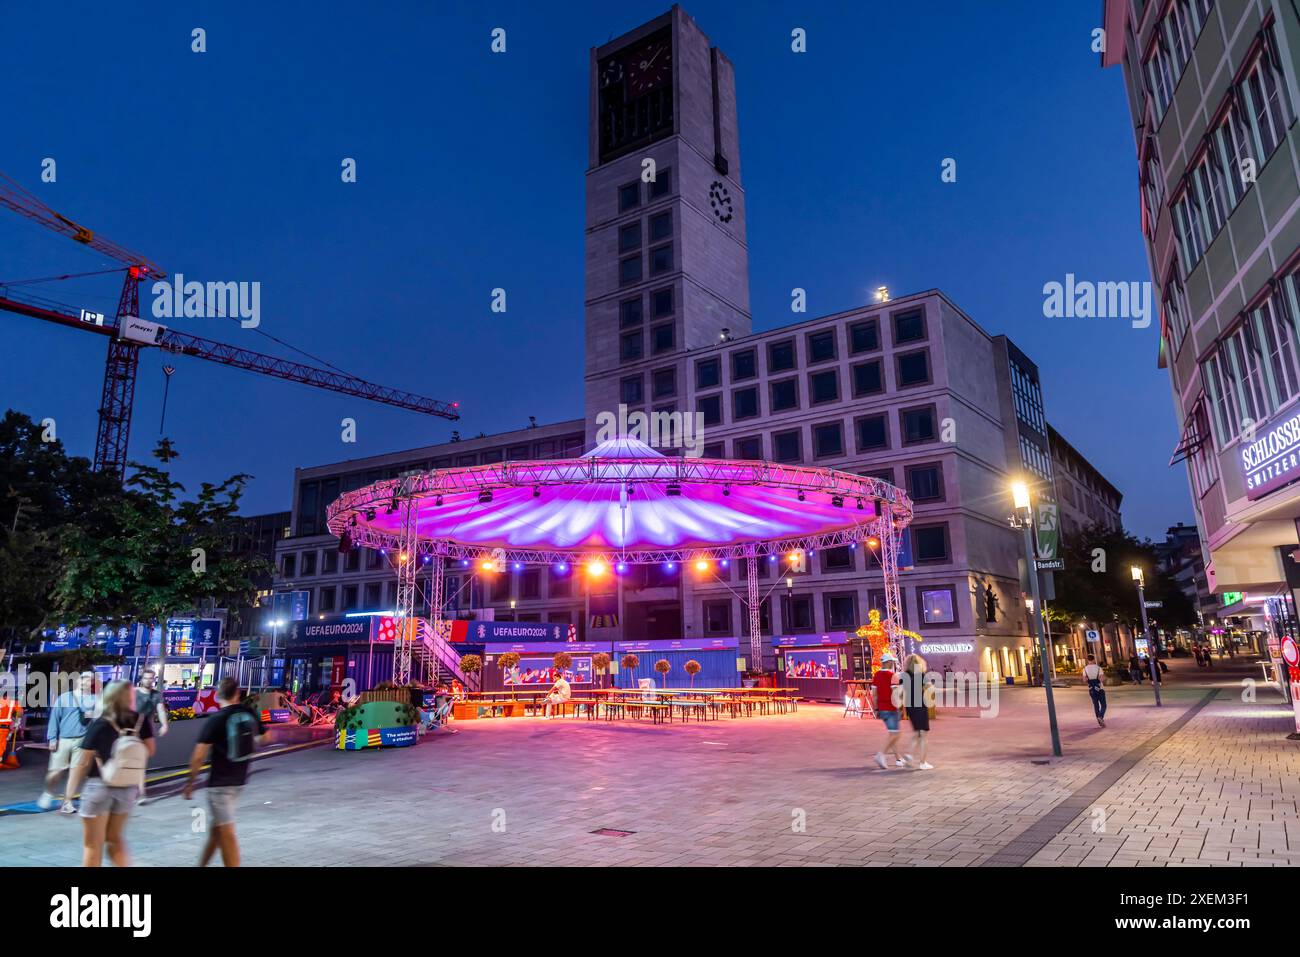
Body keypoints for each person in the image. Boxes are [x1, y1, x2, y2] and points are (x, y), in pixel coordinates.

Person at [65, 680, 155, 867]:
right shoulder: (140, 720)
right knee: (115, 838)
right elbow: (150, 750)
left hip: (99, 785)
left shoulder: (101, 724)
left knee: (92, 845)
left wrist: (69, 795)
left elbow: (82, 763)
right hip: (127, 788)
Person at [183, 677, 268, 867]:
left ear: (217, 695)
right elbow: (266, 737)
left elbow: (198, 756)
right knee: (217, 831)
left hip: (219, 785)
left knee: (226, 834)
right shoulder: (249, 712)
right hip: (239, 781)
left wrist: (190, 783)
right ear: (237, 693)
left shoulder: (216, 719)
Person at [39, 671, 98, 813]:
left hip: (82, 741)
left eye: (89, 679)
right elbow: (55, 718)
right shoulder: (64, 698)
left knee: (76, 772)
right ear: (78, 680)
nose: (86, 682)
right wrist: (52, 738)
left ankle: (67, 802)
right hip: (64, 740)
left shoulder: (94, 699)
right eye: (84, 679)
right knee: (55, 772)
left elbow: (96, 720)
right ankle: (48, 792)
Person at [134, 669, 169, 805]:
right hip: (132, 728)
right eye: (146, 678)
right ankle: (141, 792)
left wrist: (164, 725)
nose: (148, 680)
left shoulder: (156, 695)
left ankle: (137, 788)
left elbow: (160, 710)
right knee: (139, 761)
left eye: (151, 678)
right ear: (141, 679)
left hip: (146, 729)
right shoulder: (134, 692)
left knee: (147, 755)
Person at [899, 654, 933, 770]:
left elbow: (901, 693)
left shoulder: (904, 676)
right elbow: (929, 687)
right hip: (920, 706)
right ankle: (923, 762)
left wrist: (904, 710)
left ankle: (909, 755)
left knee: (917, 732)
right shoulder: (921, 675)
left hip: (910, 707)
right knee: (923, 734)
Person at [871, 653, 904, 769]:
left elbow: (874, 695)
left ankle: (898, 759)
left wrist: (875, 709)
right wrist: (900, 707)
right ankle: (881, 754)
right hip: (891, 708)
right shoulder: (893, 676)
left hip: (881, 708)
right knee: (896, 734)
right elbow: (896, 694)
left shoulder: (876, 675)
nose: (893, 664)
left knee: (892, 733)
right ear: (888, 662)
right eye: (892, 662)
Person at [1082, 654, 1106, 727]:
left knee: (1096, 705)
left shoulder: (1085, 669)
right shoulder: (1099, 668)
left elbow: (1084, 680)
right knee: (1103, 705)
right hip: (1100, 688)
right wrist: (1100, 678)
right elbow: (1102, 679)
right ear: (1093, 659)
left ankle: (1099, 721)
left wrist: (1089, 679)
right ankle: (1100, 716)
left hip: (1091, 689)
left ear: (1088, 660)